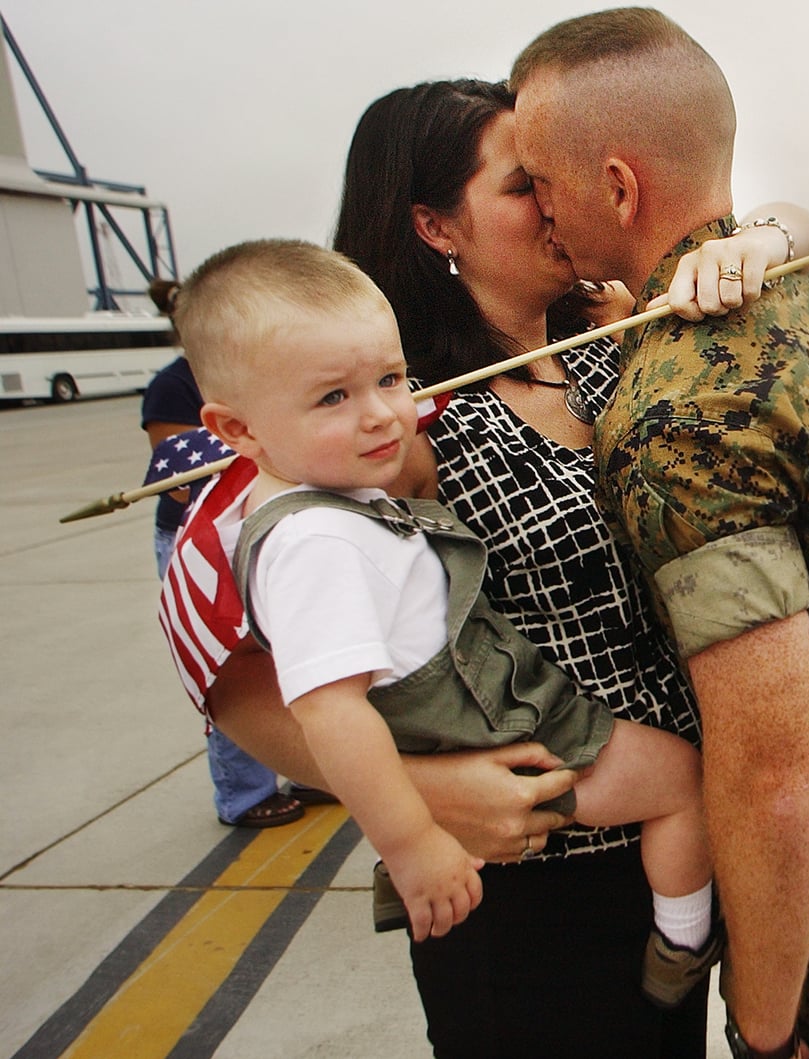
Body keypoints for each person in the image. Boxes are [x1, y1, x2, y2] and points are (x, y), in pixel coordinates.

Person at [197, 78, 809, 1057]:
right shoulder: (390, 423)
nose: (558, 200)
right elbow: (222, 656)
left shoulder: (607, 342)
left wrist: (754, 245)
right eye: (526, 184)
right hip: (532, 879)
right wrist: (412, 795)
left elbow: (804, 222)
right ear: (437, 225)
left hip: (675, 848)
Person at [510, 11, 809, 1058]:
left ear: (621, 186)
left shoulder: (684, 414)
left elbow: (772, 773)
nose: (539, 214)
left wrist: (765, 1028)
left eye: (542, 181)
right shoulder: (797, 303)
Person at [177, 239, 726, 1014]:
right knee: (679, 777)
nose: (381, 416)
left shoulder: (340, 500)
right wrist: (412, 842)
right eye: (332, 398)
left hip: (476, 710)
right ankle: (683, 941)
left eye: (390, 380)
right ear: (236, 431)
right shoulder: (316, 543)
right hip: (502, 719)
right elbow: (333, 713)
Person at [140, 278, 305, 829]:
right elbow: (182, 480)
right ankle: (245, 793)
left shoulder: (257, 369)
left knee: (290, 658)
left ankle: (308, 768)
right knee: (232, 661)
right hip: (206, 534)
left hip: (265, 522)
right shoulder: (173, 387)